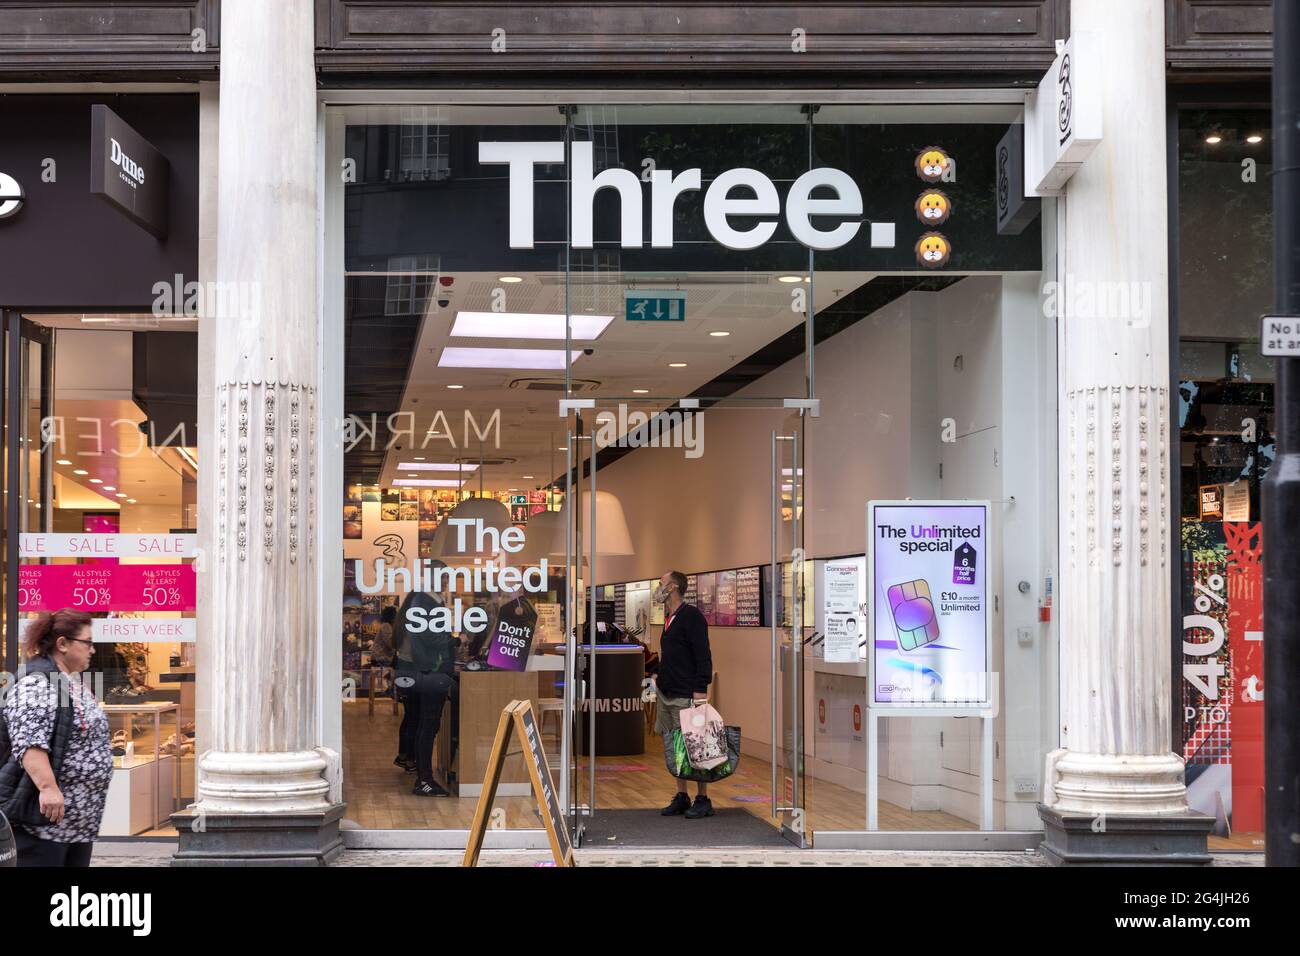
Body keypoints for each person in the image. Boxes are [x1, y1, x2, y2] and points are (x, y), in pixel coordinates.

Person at [0, 610, 111, 867]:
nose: (92, 650)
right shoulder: (37, 684)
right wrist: (48, 788)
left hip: (73, 825)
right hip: (42, 825)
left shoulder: (67, 681)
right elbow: (29, 741)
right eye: (87, 642)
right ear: (62, 644)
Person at [649, 570, 714, 819]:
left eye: (661, 583)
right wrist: (657, 672)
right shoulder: (669, 617)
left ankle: (703, 798)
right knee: (673, 746)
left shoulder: (692, 616)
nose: (658, 587)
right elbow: (672, 656)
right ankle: (682, 795)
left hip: (686, 693)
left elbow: (703, 655)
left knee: (693, 745)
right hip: (667, 692)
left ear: (673, 587)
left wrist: (701, 690)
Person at [392, 563, 459, 797]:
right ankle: (425, 780)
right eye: (442, 577)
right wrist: (453, 641)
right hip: (429, 672)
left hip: (425, 671)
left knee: (425, 725)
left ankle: (424, 777)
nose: (445, 581)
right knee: (427, 726)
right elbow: (429, 636)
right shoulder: (426, 600)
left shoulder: (424, 599)